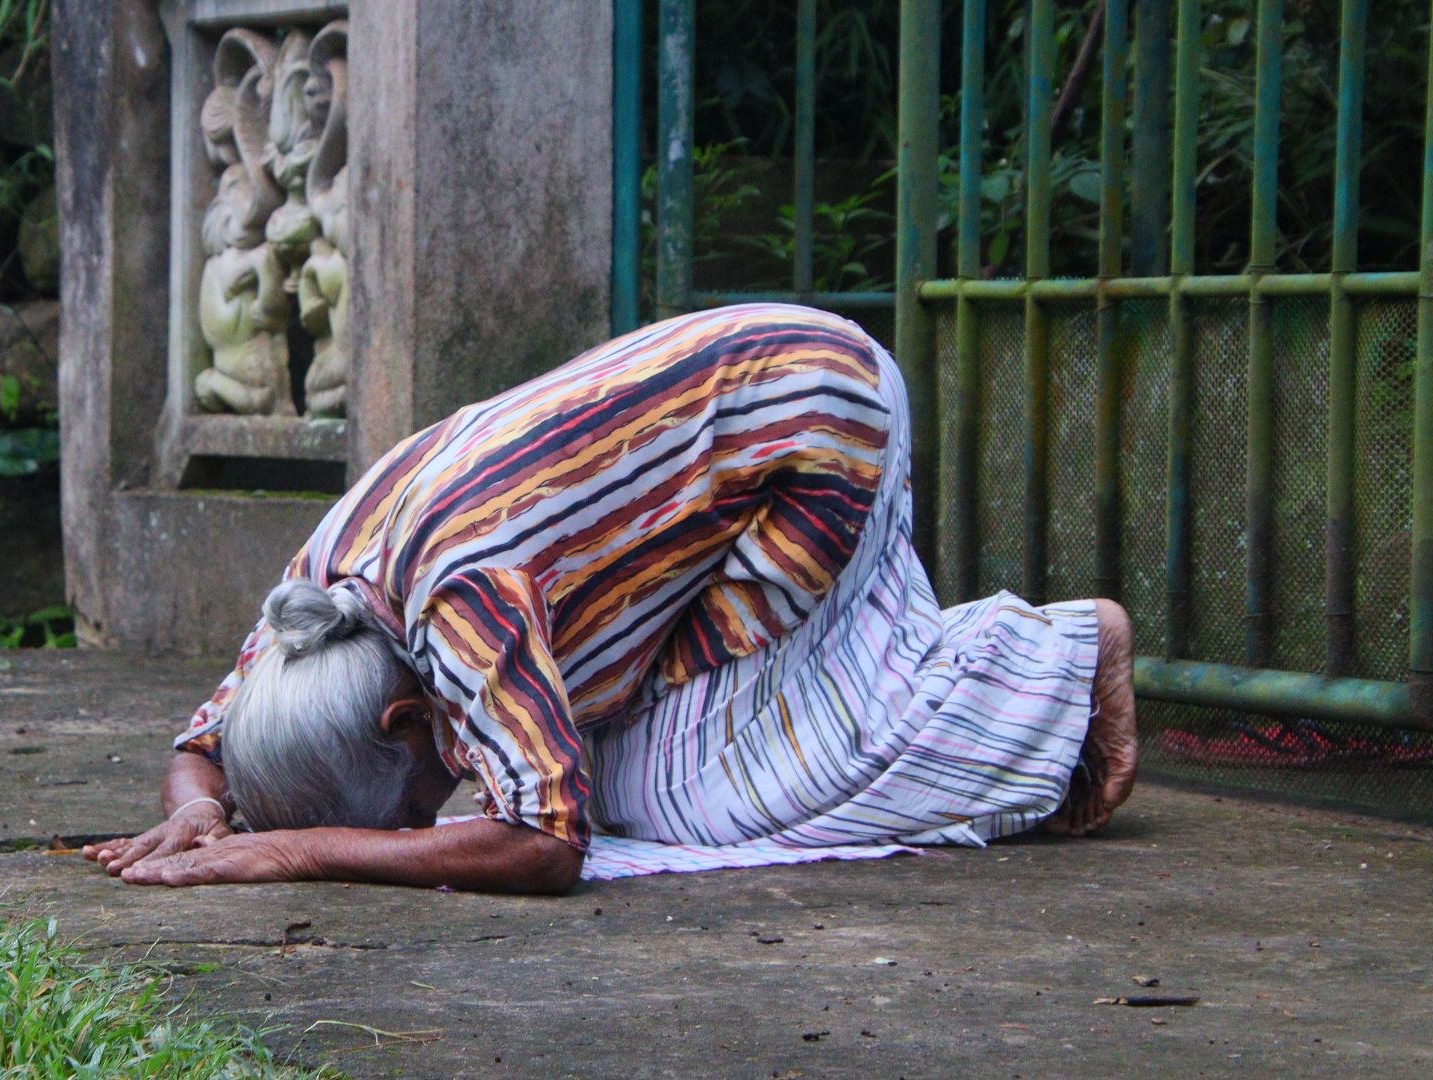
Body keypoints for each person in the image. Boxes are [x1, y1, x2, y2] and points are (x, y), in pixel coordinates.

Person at [83, 304, 1139, 894]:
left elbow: (544, 842)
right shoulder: (323, 598)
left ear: (408, 718)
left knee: (706, 794)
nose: (428, 816)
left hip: (816, 431)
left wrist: (296, 851)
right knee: (620, 755)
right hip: (767, 394)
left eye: (415, 803)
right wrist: (202, 811)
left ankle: (1051, 663)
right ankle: (984, 680)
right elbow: (210, 737)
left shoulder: (460, 605)